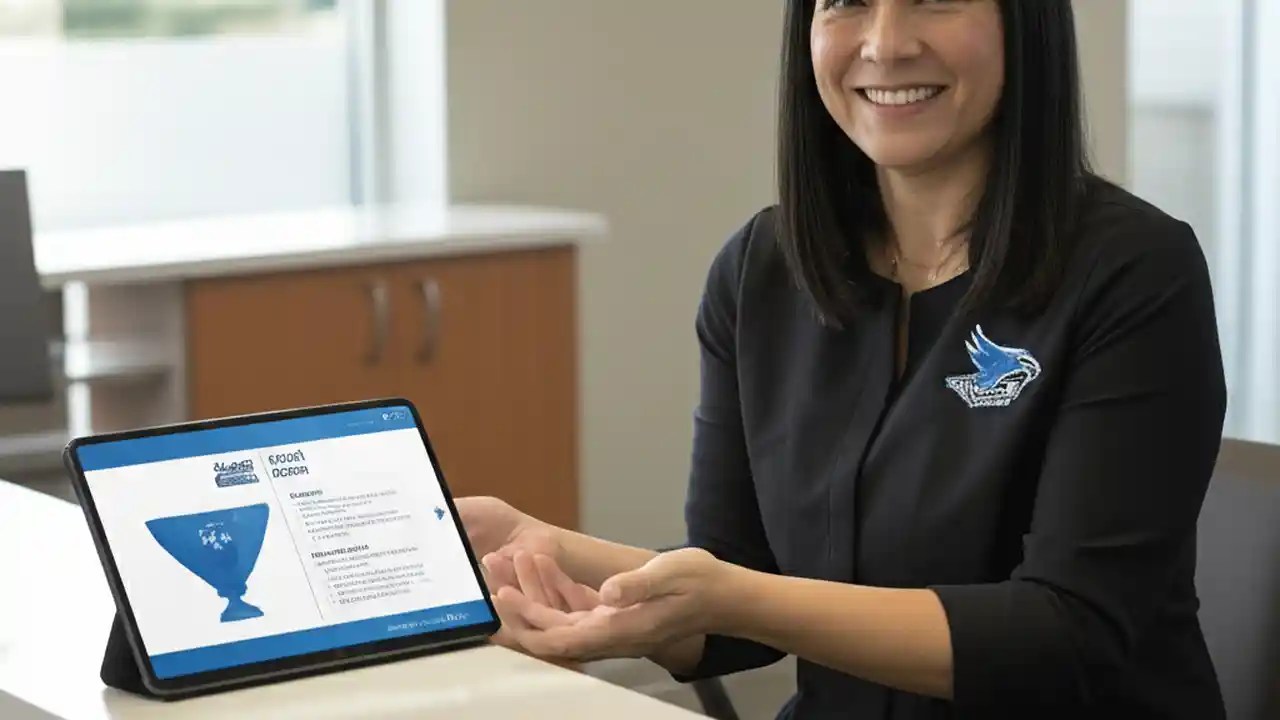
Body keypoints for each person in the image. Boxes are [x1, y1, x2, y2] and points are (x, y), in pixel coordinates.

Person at [457, 0, 1228, 717]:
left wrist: (726, 597)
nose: (885, 43)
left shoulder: (1134, 270)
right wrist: (554, 550)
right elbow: (736, 586)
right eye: (847, 0)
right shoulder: (760, 268)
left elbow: (1068, 633)